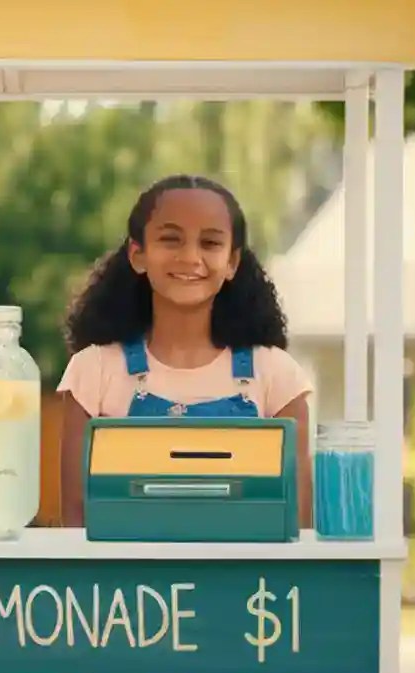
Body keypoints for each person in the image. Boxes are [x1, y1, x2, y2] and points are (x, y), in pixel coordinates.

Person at [56, 174, 313, 528]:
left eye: (210, 243)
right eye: (170, 240)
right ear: (138, 254)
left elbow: (296, 523)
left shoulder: (277, 374)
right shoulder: (92, 371)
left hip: (247, 582)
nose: (190, 257)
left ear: (232, 263)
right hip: (127, 583)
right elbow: (77, 520)